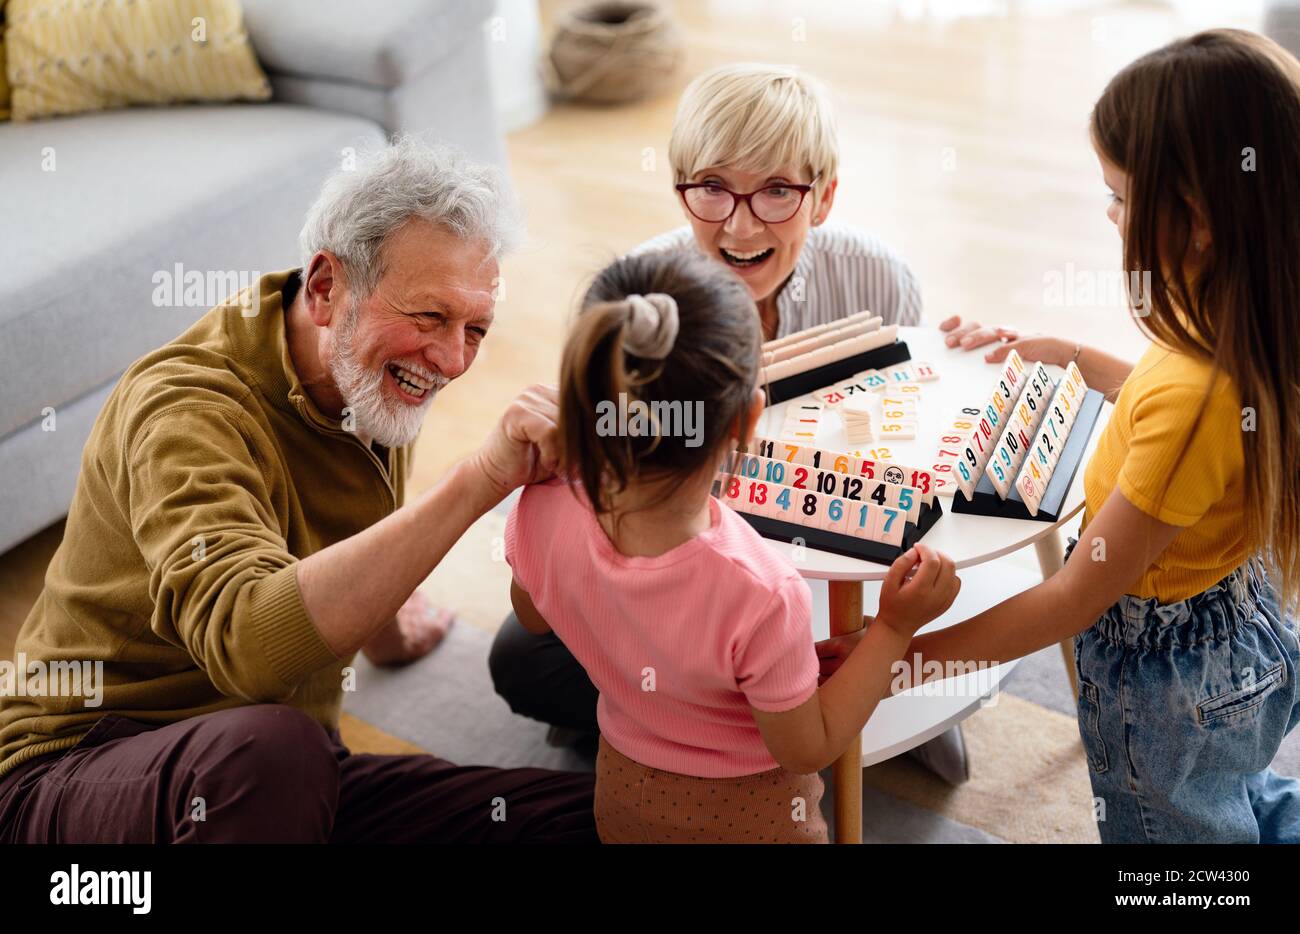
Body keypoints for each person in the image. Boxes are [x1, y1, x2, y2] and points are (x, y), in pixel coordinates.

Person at [0, 139, 596, 843]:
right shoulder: (186, 413)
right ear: (324, 288)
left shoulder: (363, 375)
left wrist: (391, 633)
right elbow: (252, 645)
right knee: (275, 753)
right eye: (430, 317)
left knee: (582, 817)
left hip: (275, 788)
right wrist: (481, 478)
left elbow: (346, 534)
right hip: (81, 777)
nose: (452, 359)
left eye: (475, 329)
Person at [830, 30, 1300, 843]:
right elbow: (1182, 408)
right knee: (1227, 790)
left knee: (1175, 840)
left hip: (1163, 677)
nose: (1110, 214)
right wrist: (1075, 357)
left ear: (1193, 222)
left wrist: (901, 658)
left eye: (1119, 196)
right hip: (1235, 626)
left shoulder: (1199, 396)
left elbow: (1074, 597)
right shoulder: (1243, 327)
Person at [492, 62, 970, 783]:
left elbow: (904, 434)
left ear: (825, 196)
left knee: (902, 598)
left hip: (826, 543)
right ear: (680, 186)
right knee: (519, 660)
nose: (741, 224)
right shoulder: (635, 294)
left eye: (778, 191)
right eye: (712, 188)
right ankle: (710, 713)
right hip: (676, 551)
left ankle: (845, 699)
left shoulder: (880, 280)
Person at [505, 249, 960, 842]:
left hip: (622, 797)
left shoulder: (541, 505)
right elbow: (808, 746)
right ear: (747, 421)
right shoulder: (763, 590)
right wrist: (894, 630)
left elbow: (532, 614)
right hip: (755, 821)